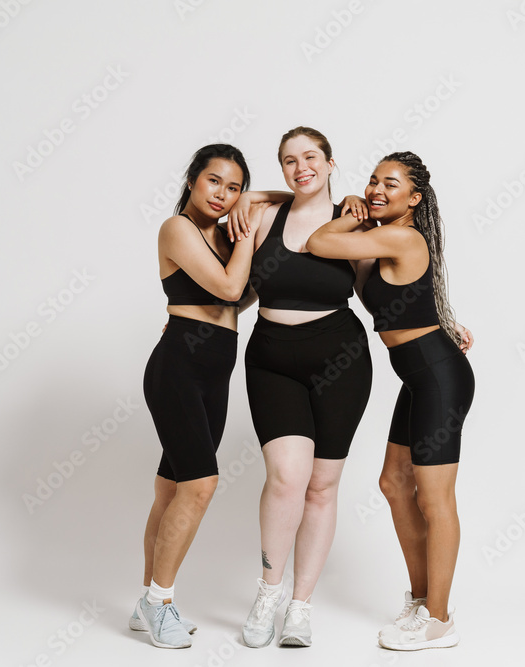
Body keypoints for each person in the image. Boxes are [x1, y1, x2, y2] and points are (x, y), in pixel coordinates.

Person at [307, 151, 475, 651]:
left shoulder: (403, 237)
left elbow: (319, 241)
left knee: (435, 497)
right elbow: (372, 274)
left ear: (414, 199)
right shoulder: (379, 241)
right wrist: (354, 204)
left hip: (439, 376)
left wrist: (350, 212)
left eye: (392, 185)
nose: (378, 189)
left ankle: (439, 621)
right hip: (418, 377)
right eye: (374, 181)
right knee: (393, 482)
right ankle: (422, 600)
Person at [225, 127, 374, 648]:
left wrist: (441, 324)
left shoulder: (354, 222)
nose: (300, 166)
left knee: (321, 486)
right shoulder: (262, 215)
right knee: (286, 478)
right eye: (289, 160)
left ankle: (301, 605)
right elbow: (239, 291)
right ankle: (269, 591)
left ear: (332, 164)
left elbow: (379, 293)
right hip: (272, 360)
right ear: (281, 170)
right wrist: (191, 322)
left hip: (342, 359)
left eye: (311, 157)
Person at [131, 144, 261, 649]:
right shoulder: (177, 228)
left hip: (215, 368)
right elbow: (231, 290)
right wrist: (248, 232)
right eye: (214, 182)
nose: (223, 195)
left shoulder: (222, 236)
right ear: (192, 180)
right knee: (200, 484)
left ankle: (147, 601)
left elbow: (240, 297)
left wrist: (249, 212)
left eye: (234, 188)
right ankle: (160, 601)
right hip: (179, 366)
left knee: (170, 490)